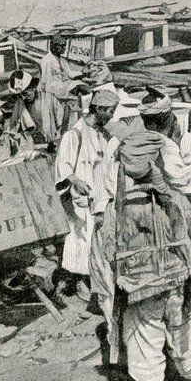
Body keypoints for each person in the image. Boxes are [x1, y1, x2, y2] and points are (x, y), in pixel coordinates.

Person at [112, 129, 191, 381]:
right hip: (176, 280)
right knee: (185, 328)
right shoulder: (171, 198)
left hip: (142, 286)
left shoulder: (121, 207)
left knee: (145, 337)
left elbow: (108, 250)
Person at [54, 89, 119, 303]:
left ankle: (97, 280)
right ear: (98, 109)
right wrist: (76, 180)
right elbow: (63, 166)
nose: (112, 115)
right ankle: (81, 281)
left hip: (99, 196)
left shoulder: (103, 132)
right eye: (109, 111)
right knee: (82, 240)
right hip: (82, 198)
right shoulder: (75, 134)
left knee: (97, 239)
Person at [38, 35, 87, 146]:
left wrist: (82, 74)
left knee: (80, 95)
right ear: (54, 46)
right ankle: (52, 143)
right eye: (61, 46)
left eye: (64, 46)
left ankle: (73, 134)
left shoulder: (63, 61)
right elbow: (46, 82)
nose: (64, 49)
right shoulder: (47, 60)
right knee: (50, 122)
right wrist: (64, 88)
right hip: (50, 93)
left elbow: (69, 74)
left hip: (62, 90)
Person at [4, 69, 41, 143]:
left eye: (25, 93)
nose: (23, 98)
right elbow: (13, 128)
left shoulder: (47, 98)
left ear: (33, 86)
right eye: (20, 95)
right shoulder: (20, 104)